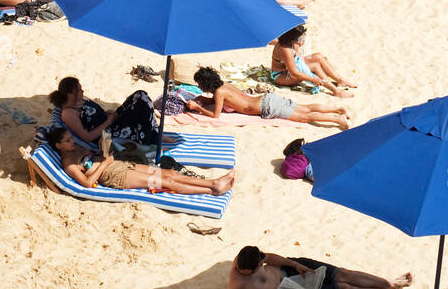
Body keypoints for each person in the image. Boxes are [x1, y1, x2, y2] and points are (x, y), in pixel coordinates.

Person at [226, 245, 413, 289]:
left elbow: (270, 258)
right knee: (343, 288)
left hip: (291, 268)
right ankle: (389, 286)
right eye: (259, 266)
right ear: (247, 270)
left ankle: (389, 284)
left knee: (343, 274)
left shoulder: (248, 256)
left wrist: (294, 264)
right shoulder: (238, 285)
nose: (262, 264)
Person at [46, 127, 235, 195]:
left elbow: (94, 154)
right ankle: (212, 189)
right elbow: (87, 183)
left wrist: (103, 147)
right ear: (58, 145)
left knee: (170, 173)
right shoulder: (69, 164)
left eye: (71, 138)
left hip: (119, 165)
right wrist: (103, 164)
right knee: (166, 182)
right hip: (113, 175)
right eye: (68, 140)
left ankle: (213, 184)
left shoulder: (75, 148)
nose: (72, 142)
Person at [187, 68, 350, 129]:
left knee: (304, 117)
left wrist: (197, 108)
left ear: (205, 84)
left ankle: (338, 119)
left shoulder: (219, 93)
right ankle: (338, 109)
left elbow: (216, 116)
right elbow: (227, 101)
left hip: (267, 107)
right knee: (305, 107)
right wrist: (203, 100)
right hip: (266, 99)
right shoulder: (224, 85)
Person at [270, 25, 355, 95]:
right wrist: (313, 79)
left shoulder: (291, 42)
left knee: (318, 56)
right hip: (281, 76)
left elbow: (298, 58)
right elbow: (294, 72)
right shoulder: (285, 49)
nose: (303, 40)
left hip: (292, 66)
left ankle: (340, 80)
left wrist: (299, 44)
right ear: (292, 39)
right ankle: (336, 91)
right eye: (300, 38)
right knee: (315, 66)